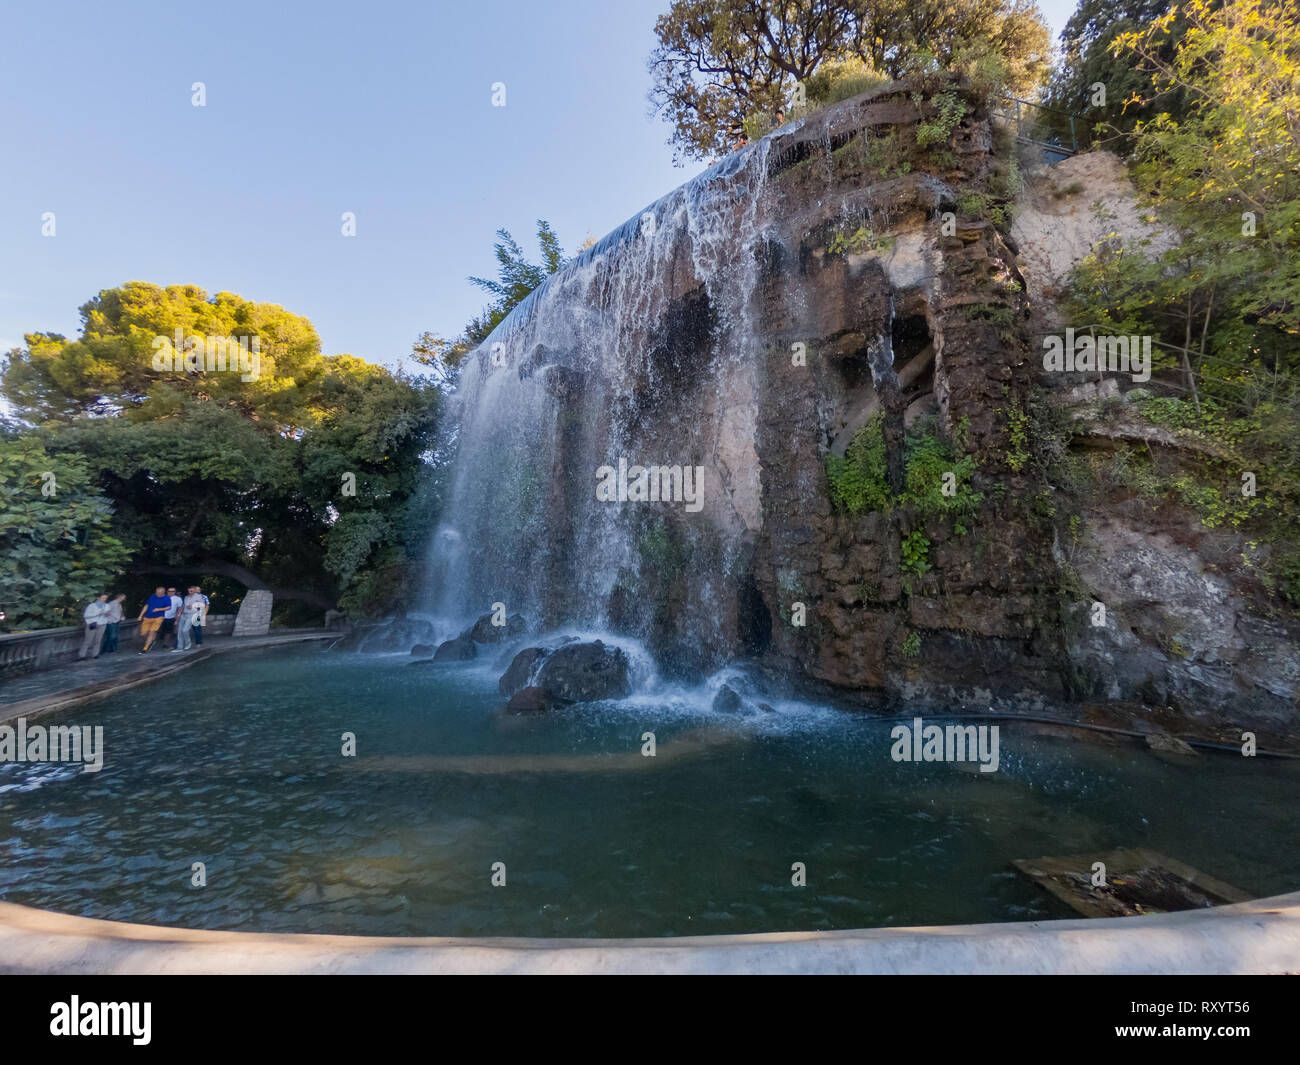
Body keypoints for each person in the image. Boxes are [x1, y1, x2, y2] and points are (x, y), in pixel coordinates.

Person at [137, 587, 171, 653]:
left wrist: (158, 609)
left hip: (158, 618)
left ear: (163, 593)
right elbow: (146, 605)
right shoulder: (152, 596)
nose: (157, 594)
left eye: (158, 593)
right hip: (147, 617)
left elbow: (168, 607)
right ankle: (152, 640)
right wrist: (140, 616)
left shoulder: (167, 598)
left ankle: (145, 648)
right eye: (156, 592)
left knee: (151, 632)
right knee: (143, 634)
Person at [78, 594, 111, 659]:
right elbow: (86, 615)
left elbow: (108, 614)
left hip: (102, 624)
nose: (104, 599)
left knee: (98, 640)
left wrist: (107, 614)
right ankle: (82, 655)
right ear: (98, 598)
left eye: (105, 598)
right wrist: (98, 613)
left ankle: (95, 654)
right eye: (103, 598)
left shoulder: (107, 606)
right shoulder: (92, 605)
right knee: (88, 640)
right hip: (93, 624)